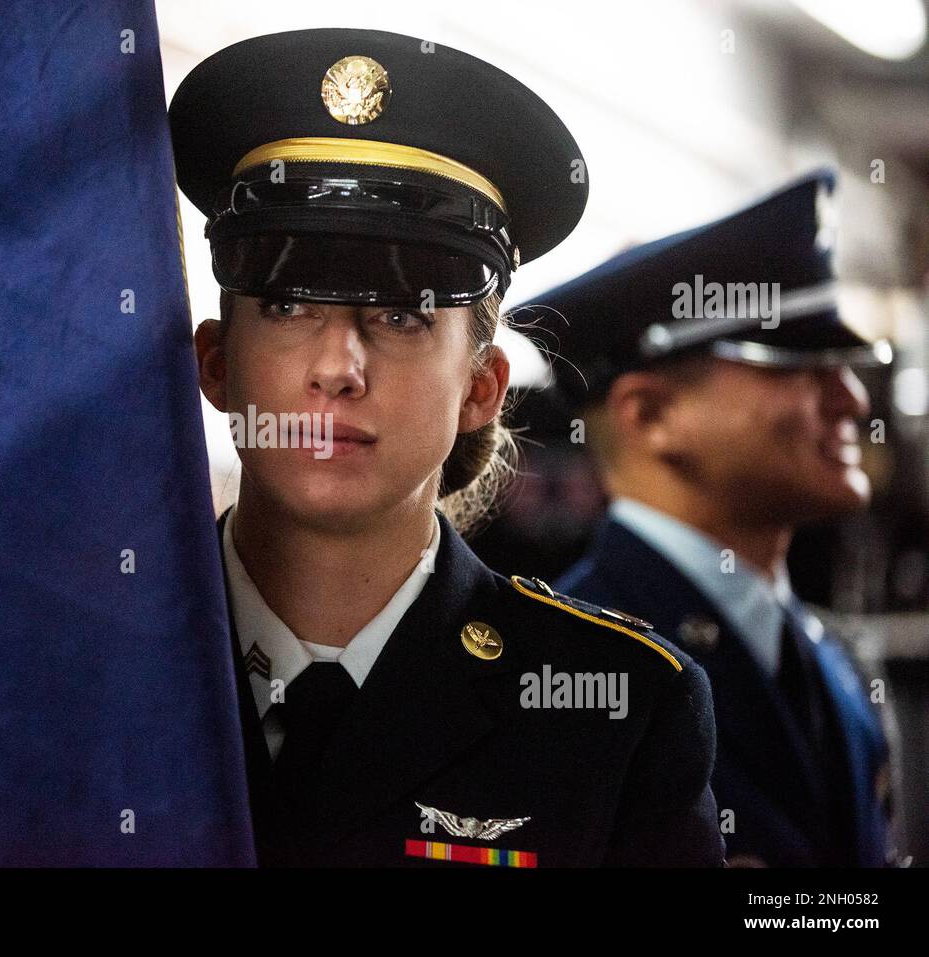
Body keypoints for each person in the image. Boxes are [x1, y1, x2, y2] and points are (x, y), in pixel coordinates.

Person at [168, 27, 724, 867]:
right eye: (286, 306)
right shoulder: (91, 668)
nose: (338, 368)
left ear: (482, 388)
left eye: (401, 317)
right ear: (215, 362)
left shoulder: (618, 715)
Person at [538, 170, 896, 867]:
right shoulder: (569, 676)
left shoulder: (832, 658)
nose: (852, 399)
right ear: (651, 414)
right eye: (796, 362)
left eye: (842, 363)